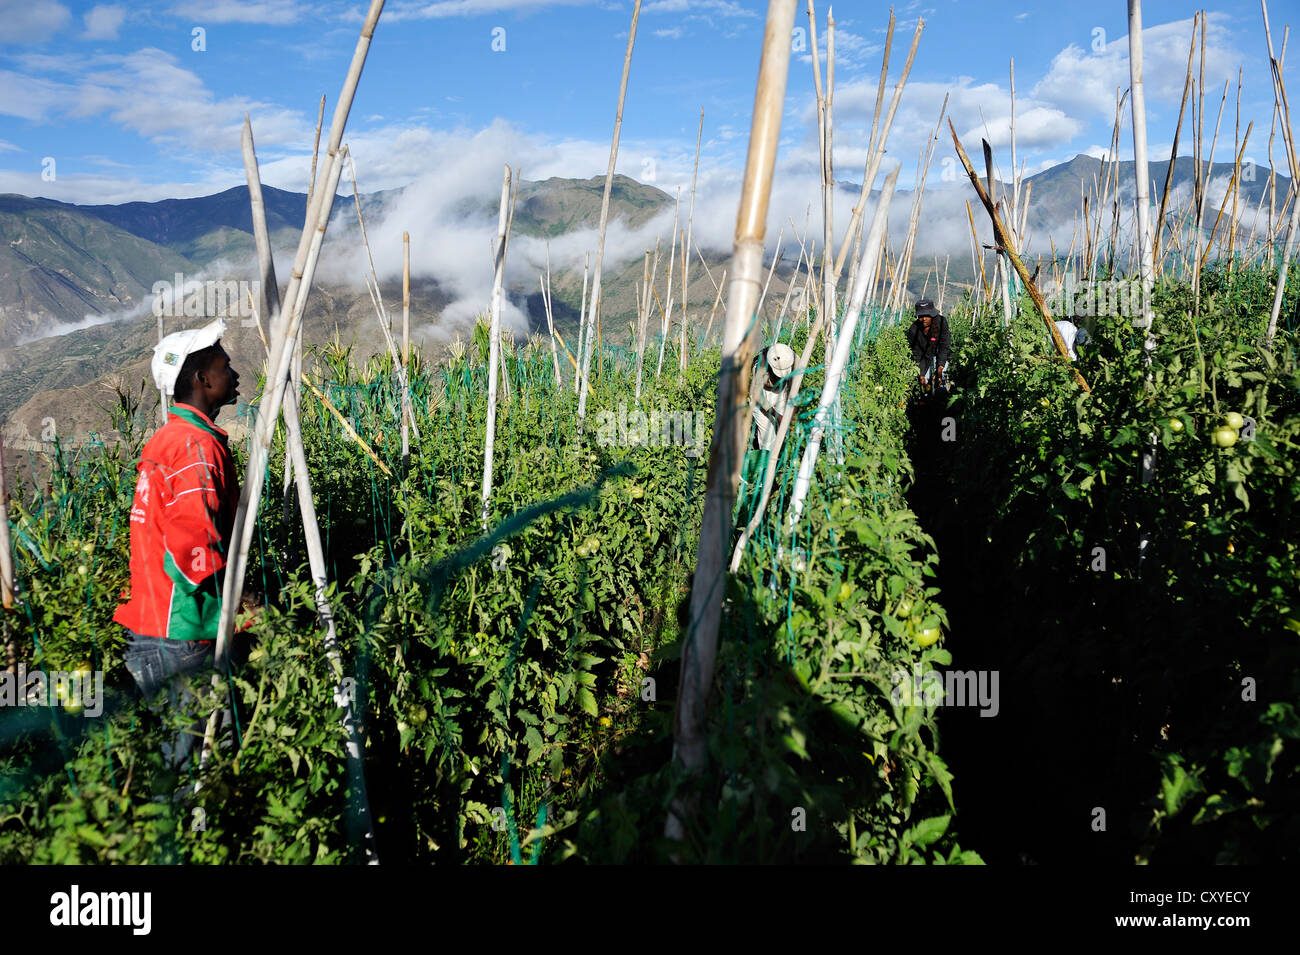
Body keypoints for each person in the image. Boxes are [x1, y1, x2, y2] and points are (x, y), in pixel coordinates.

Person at [113, 317, 243, 770]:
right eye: (226, 366)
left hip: (154, 628)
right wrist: (247, 600)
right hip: (180, 634)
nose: (236, 374)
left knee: (178, 761)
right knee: (202, 769)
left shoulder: (169, 440)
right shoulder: (194, 448)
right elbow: (193, 552)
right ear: (202, 379)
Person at [907, 299, 951, 391]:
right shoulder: (914, 329)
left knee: (941, 378)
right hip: (923, 358)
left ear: (932, 315)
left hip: (939, 355)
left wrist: (939, 368)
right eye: (921, 316)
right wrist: (921, 374)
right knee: (924, 381)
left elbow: (944, 346)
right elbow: (916, 353)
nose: (924, 319)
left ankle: (941, 396)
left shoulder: (942, 322)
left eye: (927, 316)